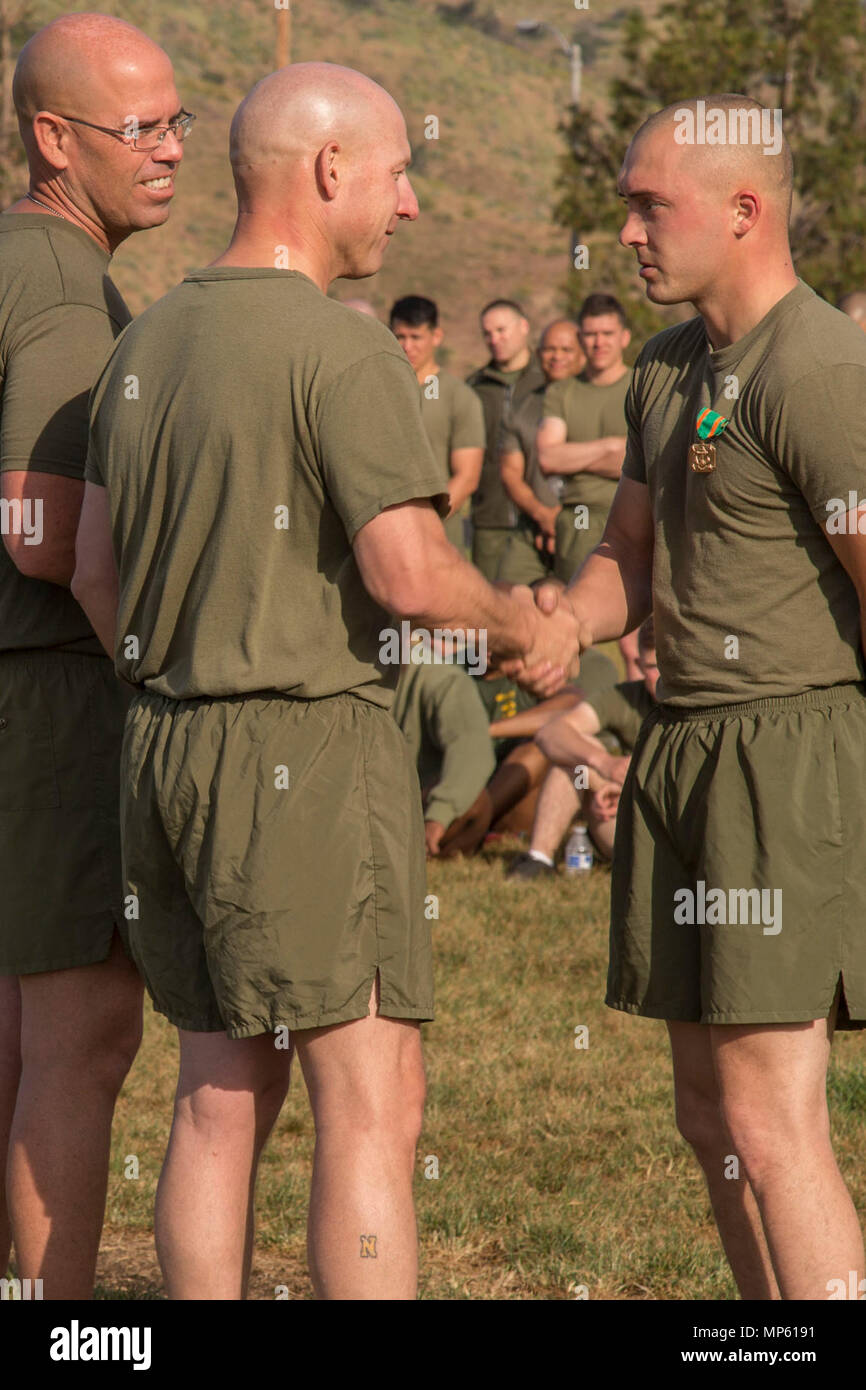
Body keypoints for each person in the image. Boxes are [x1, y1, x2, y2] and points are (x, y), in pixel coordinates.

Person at [72, 61, 581, 1301]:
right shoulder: (343, 355)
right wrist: (517, 624)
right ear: (329, 170)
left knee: (215, 1089)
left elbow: (92, 573)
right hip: (304, 750)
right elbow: (409, 574)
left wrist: (193, 666)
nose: (407, 205)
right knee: (369, 1096)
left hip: (162, 742)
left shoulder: (144, 337)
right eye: (399, 171)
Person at [522, 93, 866, 1300]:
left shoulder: (822, 367)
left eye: (644, 204)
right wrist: (562, 618)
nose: (623, 233)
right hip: (682, 751)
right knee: (705, 1112)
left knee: (772, 1113)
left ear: (740, 209)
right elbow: (628, 551)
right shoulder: (667, 371)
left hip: (786, 755)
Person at [0, 12, 188, 1299]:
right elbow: (39, 527)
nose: (171, 147)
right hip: (53, 688)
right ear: (53, 138)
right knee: (80, 1034)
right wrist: (157, 661)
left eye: (178, 119)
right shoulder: (63, 282)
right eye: (141, 127)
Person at [506, 616, 658, 880]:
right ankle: (539, 860)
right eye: (653, 667)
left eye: (670, 666)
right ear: (639, 665)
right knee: (575, 757)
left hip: (678, 827)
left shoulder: (706, 703)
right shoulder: (626, 697)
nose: (661, 677)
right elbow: (551, 733)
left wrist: (631, 780)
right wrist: (603, 767)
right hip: (625, 822)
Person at [536, 294, 639, 682]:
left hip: (632, 517)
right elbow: (548, 458)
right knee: (575, 629)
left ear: (625, 336)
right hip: (574, 527)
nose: (599, 342)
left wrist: (581, 455)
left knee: (636, 643)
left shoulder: (640, 385)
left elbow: (645, 458)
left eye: (608, 333)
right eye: (591, 334)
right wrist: (613, 448)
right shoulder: (562, 392)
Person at [390, 294, 484, 553]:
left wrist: (425, 523)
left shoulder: (459, 396)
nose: (407, 346)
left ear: (437, 336)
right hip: (384, 539)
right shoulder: (380, 390)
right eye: (400, 336)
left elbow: (467, 477)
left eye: (416, 337)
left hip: (440, 539)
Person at [496, 318, 585, 586]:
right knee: (506, 595)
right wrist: (543, 516)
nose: (557, 357)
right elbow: (510, 473)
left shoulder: (597, 397)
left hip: (585, 523)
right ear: (538, 354)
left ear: (582, 353)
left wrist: (563, 522)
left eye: (566, 350)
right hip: (532, 521)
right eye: (549, 350)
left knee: (580, 604)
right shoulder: (520, 406)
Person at [466, 299, 546, 579]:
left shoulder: (549, 380)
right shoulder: (474, 387)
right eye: (487, 333)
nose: (494, 339)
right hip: (490, 519)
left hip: (544, 517)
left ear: (523, 327)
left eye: (501, 330)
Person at [392, 645, 495, 858]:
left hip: (414, 801)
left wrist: (439, 814)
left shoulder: (441, 680)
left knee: (474, 800)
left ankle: (430, 848)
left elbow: (472, 749)